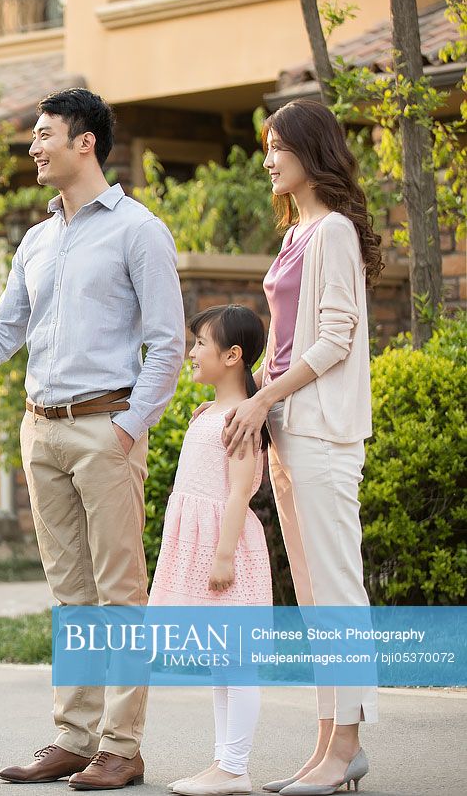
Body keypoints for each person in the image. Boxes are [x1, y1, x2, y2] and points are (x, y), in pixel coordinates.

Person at [0, 87, 185, 790]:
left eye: (43, 135)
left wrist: (129, 429)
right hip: (42, 430)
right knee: (70, 594)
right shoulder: (38, 240)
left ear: (84, 143)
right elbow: (4, 330)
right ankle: (74, 735)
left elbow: (167, 344)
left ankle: (122, 745)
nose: (33, 148)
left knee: (119, 592)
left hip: (106, 427)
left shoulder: (137, 230)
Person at [206, 98, 381, 796]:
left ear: (312, 151)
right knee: (311, 595)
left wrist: (264, 397)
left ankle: (346, 746)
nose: (267, 158)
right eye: (266, 146)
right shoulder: (296, 234)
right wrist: (251, 406)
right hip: (287, 434)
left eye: (277, 146)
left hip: (323, 433)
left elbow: (333, 337)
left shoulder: (332, 231)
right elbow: (281, 345)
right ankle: (324, 749)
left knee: (337, 590)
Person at [152, 305, 273, 796]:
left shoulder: (239, 422)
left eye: (201, 343)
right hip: (204, 548)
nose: (192, 352)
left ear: (232, 355)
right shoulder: (213, 415)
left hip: (227, 551)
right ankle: (225, 763)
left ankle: (237, 765)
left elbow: (240, 492)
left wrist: (223, 554)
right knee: (222, 663)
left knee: (237, 662)